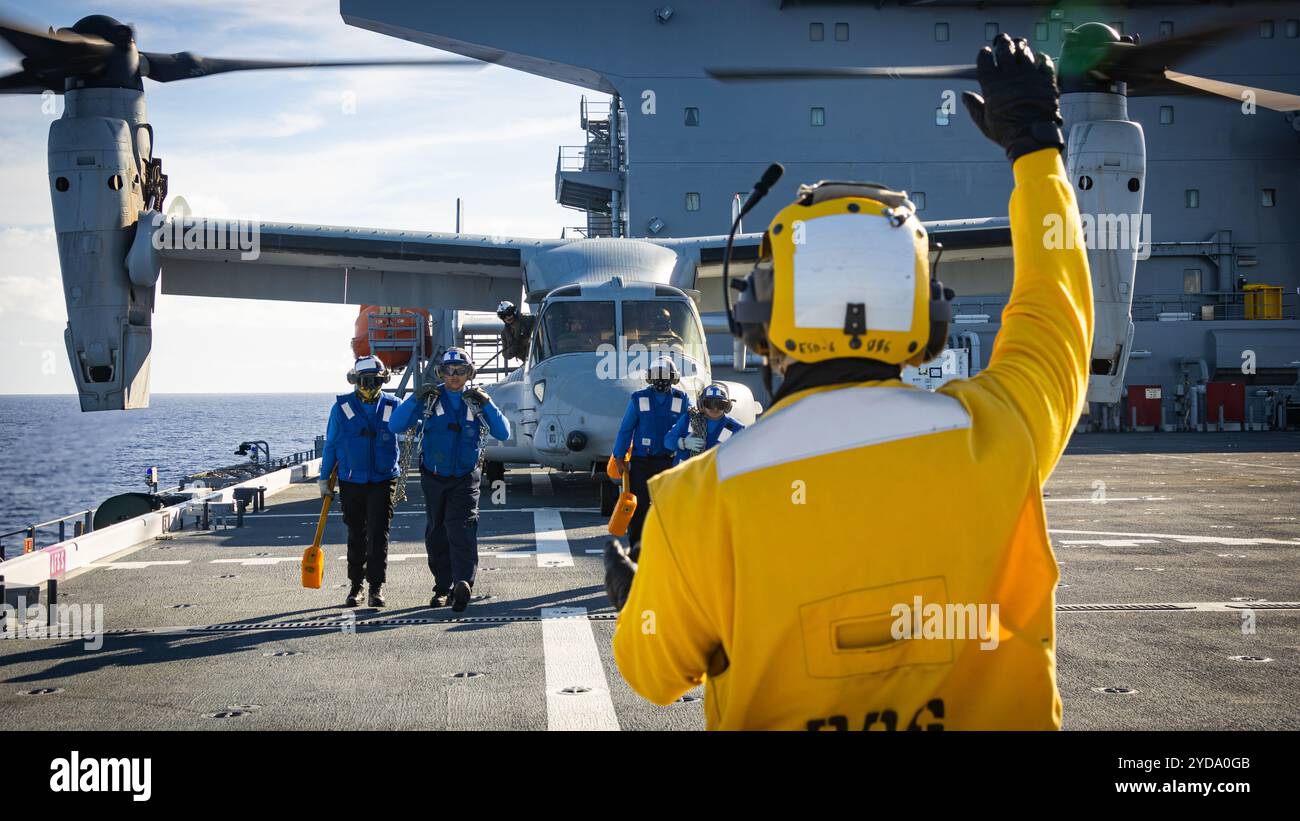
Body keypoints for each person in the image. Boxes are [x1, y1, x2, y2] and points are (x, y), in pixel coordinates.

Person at [605, 35, 1091, 729]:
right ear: (928, 314)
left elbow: (651, 672)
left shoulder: (698, 504)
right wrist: (1038, 151)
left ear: (760, 319)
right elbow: (1058, 311)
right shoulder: (1001, 433)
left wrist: (636, 600)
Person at [389, 347, 511, 612]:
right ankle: (442, 588)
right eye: (449, 371)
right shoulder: (431, 400)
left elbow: (504, 432)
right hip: (434, 477)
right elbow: (395, 425)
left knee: (463, 529)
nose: (454, 376)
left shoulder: (476, 401)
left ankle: (462, 584)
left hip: (466, 478)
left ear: (470, 373)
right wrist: (414, 399)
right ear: (440, 373)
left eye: (461, 371)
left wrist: (488, 403)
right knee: (437, 533)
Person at [319, 355, 402, 608]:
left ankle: (376, 587)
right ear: (355, 380)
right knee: (356, 533)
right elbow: (331, 444)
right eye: (364, 381)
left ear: (382, 380)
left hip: (383, 478)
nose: (369, 386)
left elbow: (415, 426)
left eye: (374, 381)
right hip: (352, 480)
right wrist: (324, 479)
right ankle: (356, 586)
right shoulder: (341, 409)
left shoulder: (394, 405)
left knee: (379, 534)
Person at [611, 356, 691, 546]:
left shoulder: (682, 399)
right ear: (650, 377)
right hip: (642, 462)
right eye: (657, 375)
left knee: (668, 505)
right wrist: (619, 457)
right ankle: (637, 545)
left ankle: (667, 544)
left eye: (665, 376)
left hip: (670, 462)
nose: (661, 380)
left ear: (674, 377)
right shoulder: (639, 398)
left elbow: (690, 426)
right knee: (639, 506)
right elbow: (626, 429)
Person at [664, 382, 745, 466]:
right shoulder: (689, 419)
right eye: (710, 404)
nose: (715, 408)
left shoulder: (735, 428)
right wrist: (682, 443)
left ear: (727, 406)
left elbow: (744, 456)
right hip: (686, 475)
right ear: (701, 404)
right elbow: (667, 441)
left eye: (720, 404)